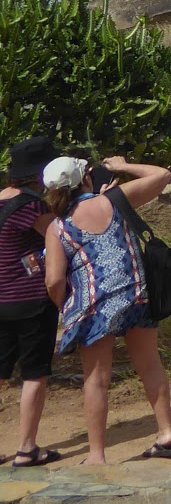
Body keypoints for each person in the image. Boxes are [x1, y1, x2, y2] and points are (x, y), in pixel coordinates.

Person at [42, 154, 171, 465]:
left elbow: (53, 280)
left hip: (95, 308)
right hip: (137, 293)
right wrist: (122, 166)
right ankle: (167, 433)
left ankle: (96, 455)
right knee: (149, 364)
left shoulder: (58, 228)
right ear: (86, 179)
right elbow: (161, 174)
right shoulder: (116, 200)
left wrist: (65, 305)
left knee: (96, 380)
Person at [0, 138, 63, 468]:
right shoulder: (33, 207)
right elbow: (58, 239)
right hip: (31, 300)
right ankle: (26, 449)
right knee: (34, 374)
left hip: (0, 299)